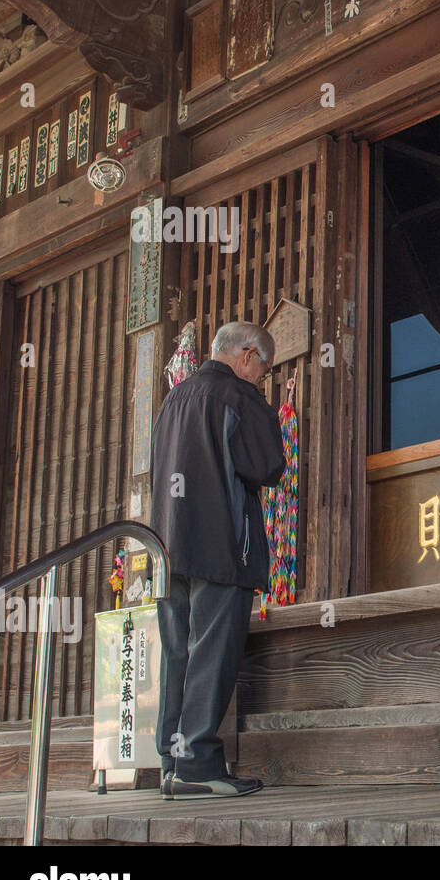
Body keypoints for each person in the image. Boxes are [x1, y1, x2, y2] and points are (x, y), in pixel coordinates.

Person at [150, 321, 285, 799]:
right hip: (223, 545)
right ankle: (198, 766)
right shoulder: (239, 397)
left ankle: (172, 759)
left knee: (177, 653)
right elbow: (267, 467)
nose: (260, 381)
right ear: (247, 356)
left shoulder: (173, 399)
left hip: (167, 547)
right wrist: (263, 409)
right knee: (212, 651)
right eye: (263, 371)